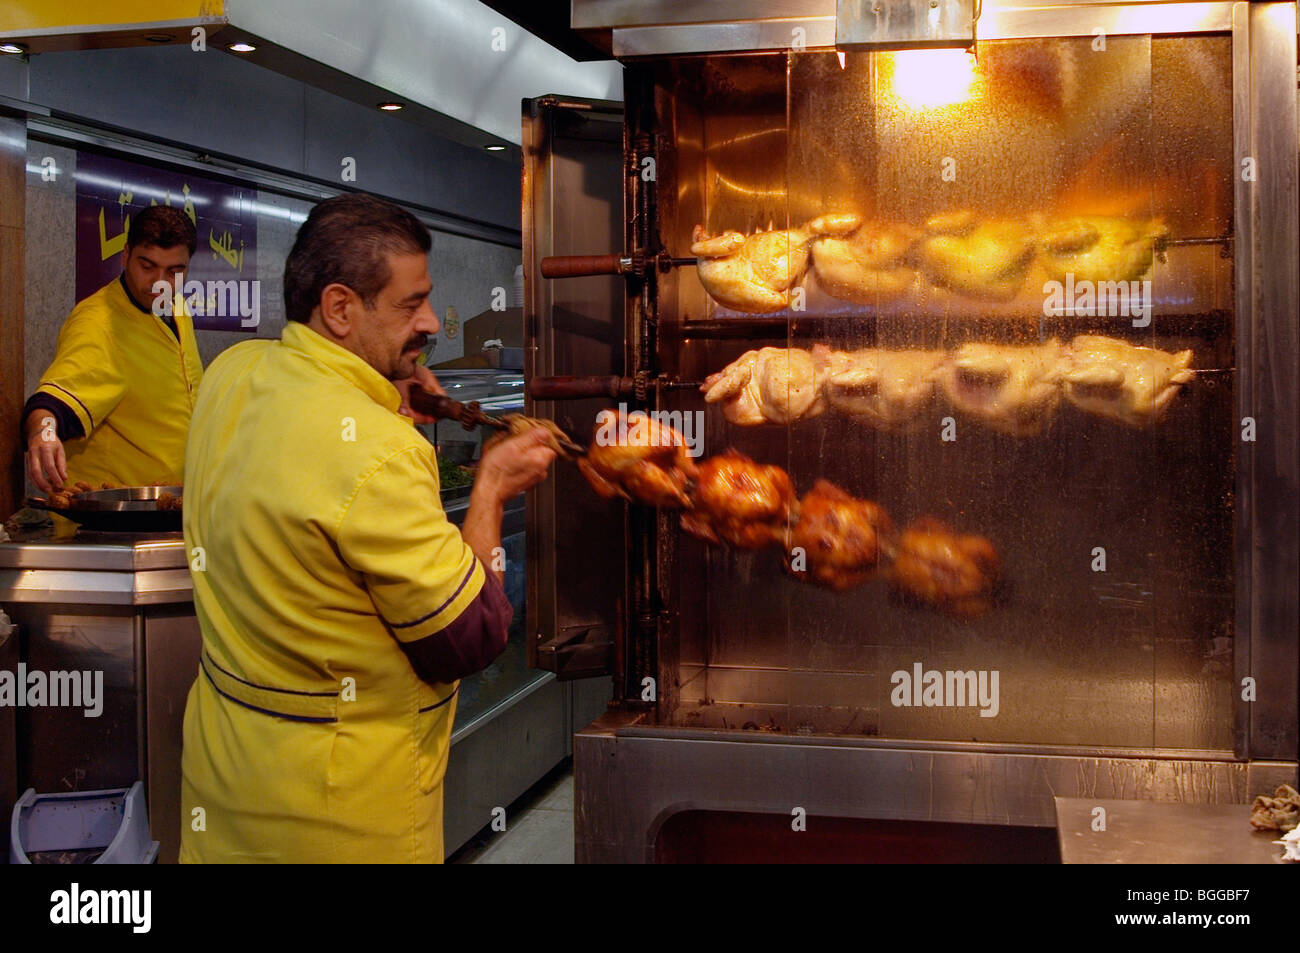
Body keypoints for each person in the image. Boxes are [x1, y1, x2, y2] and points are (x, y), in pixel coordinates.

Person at [178, 193, 556, 863]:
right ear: (340, 308)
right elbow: (470, 636)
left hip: (225, 788)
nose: (431, 322)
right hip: (339, 814)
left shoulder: (229, 375)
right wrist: (491, 489)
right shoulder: (381, 453)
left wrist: (377, 386)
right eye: (411, 305)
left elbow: (307, 401)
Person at [24, 205, 203, 493]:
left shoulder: (176, 307)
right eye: (147, 266)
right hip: (110, 509)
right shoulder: (98, 322)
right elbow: (52, 402)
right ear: (125, 255)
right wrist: (42, 433)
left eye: (174, 271)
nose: (160, 283)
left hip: (167, 503)